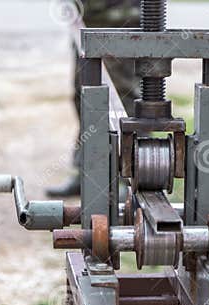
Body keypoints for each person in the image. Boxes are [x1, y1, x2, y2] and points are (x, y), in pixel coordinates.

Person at [46, 0, 141, 197]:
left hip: (119, 19)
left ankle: (132, 179)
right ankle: (87, 174)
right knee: (84, 97)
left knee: (122, 101)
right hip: (85, 19)